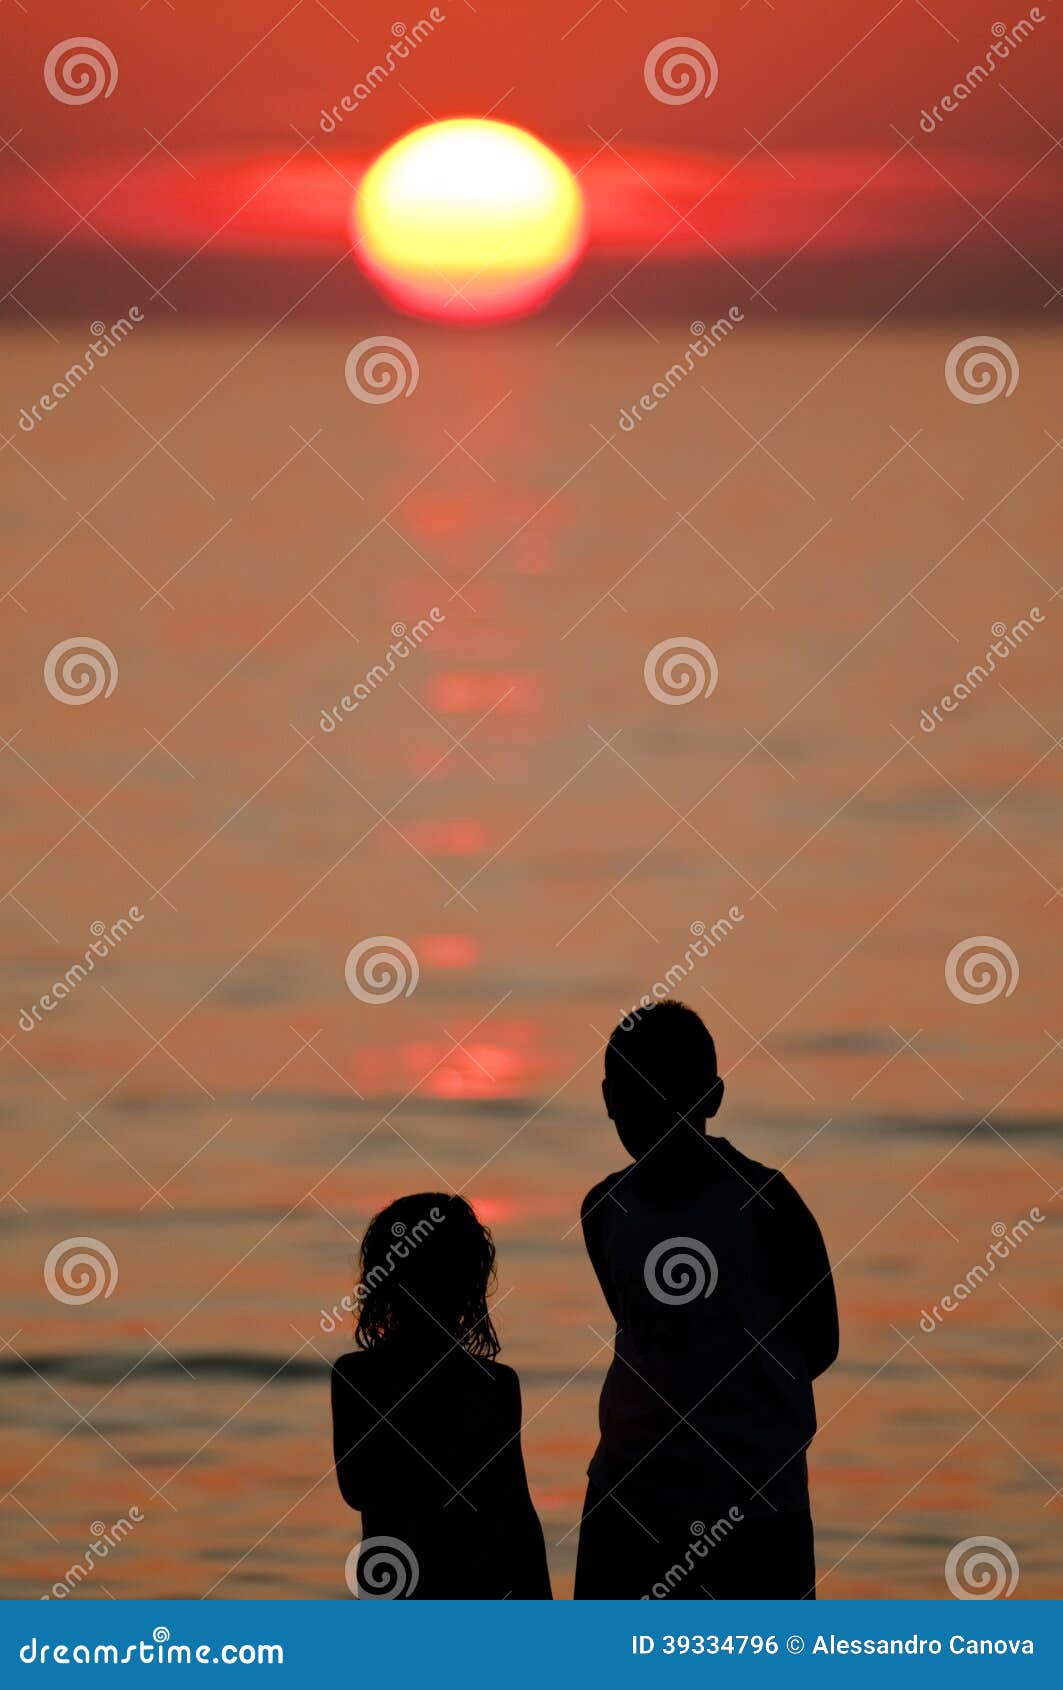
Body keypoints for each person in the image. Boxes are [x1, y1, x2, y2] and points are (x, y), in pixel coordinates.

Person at [575, 1000, 838, 1599]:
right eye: (635, 1094)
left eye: (665, 1095)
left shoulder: (768, 1202)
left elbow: (819, 1342)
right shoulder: (604, 1209)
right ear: (609, 1099)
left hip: (755, 1503)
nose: (649, 1113)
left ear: (712, 1099)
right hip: (629, 1497)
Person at [331, 1191, 552, 1598]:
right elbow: (515, 1512)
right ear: (470, 1283)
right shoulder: (493, 1383)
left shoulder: (359, 1375)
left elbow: (357, 1489)